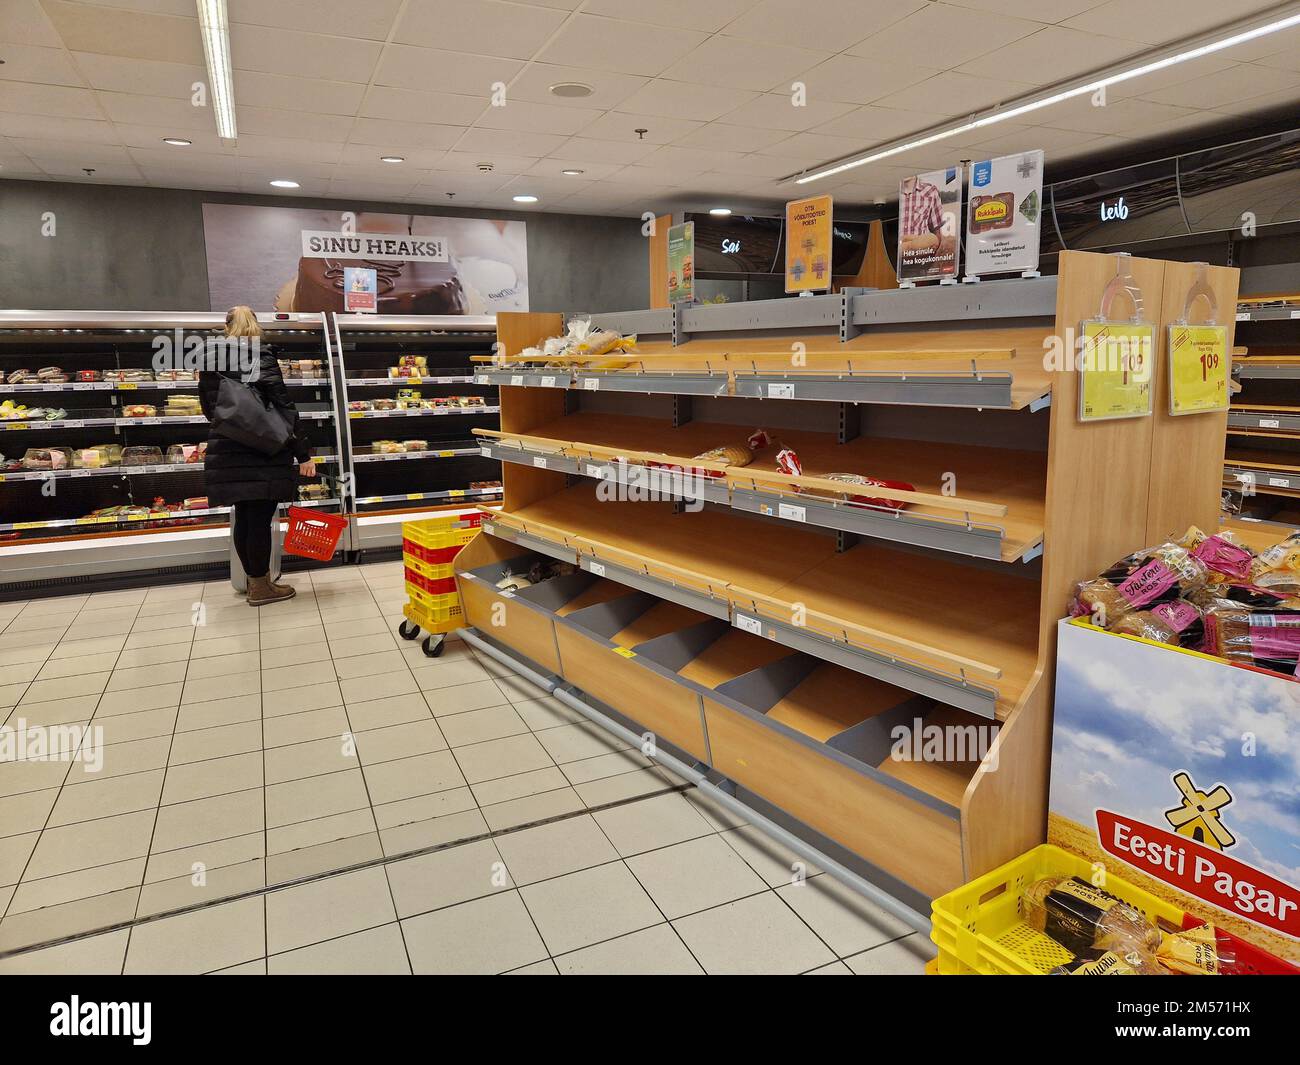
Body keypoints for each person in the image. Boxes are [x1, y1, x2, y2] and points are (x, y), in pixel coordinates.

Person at [198, 306, 315, 606]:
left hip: (227, 448)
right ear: (255, 326)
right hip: (264, 450)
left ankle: (254, 582)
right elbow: (284, 406)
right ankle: (261, 587)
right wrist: (303, 454)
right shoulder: (258, 354)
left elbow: (209, 409)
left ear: (226, 327)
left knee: (244, 519)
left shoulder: (210, 357)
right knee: (261, 519)